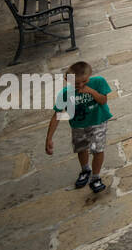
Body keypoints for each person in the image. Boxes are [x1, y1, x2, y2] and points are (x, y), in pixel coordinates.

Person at [45, 62, 113, 194]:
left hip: (97, 121)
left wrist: (91, 91)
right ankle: (85, 169)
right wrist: (49, 138)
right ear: (67, 80)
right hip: (78, 125)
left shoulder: (98, 82)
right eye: (76, 84)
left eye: (84, 81)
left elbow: (103, 101)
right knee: (81, 148)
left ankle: (95, 177)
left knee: (98, 149)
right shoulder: (65, 94)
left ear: (89, 76)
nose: (81, 85)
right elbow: (57, 116)